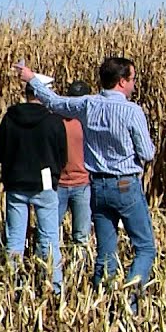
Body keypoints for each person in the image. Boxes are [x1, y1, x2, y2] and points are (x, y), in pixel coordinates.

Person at [14, 57, 157, 300]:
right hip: (125, 185)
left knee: (105, 252)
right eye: (132, 80)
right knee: (145, 247)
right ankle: (130, 301)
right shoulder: (132, 111)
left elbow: (55, 102)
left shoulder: (88, 104)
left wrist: (32, 79)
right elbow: (147, 153)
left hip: (98, 187)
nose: (134, 85)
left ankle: (102, 300)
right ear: (122, 82)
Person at [0, 74, 69, 294]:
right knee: (49, 239)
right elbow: (61, 154)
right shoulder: (53, 120)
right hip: (44, 184)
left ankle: (13, 288)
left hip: (16, 184)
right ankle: (54, 288)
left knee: (15, 239)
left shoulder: (9, 118)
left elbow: (0, 151)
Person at [57, 80, 93, 246]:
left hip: (83, 184)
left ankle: (80, 269)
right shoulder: (56, 122)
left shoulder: (91, 124)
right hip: (59, 184)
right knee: (51, 235)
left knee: (82, 237)